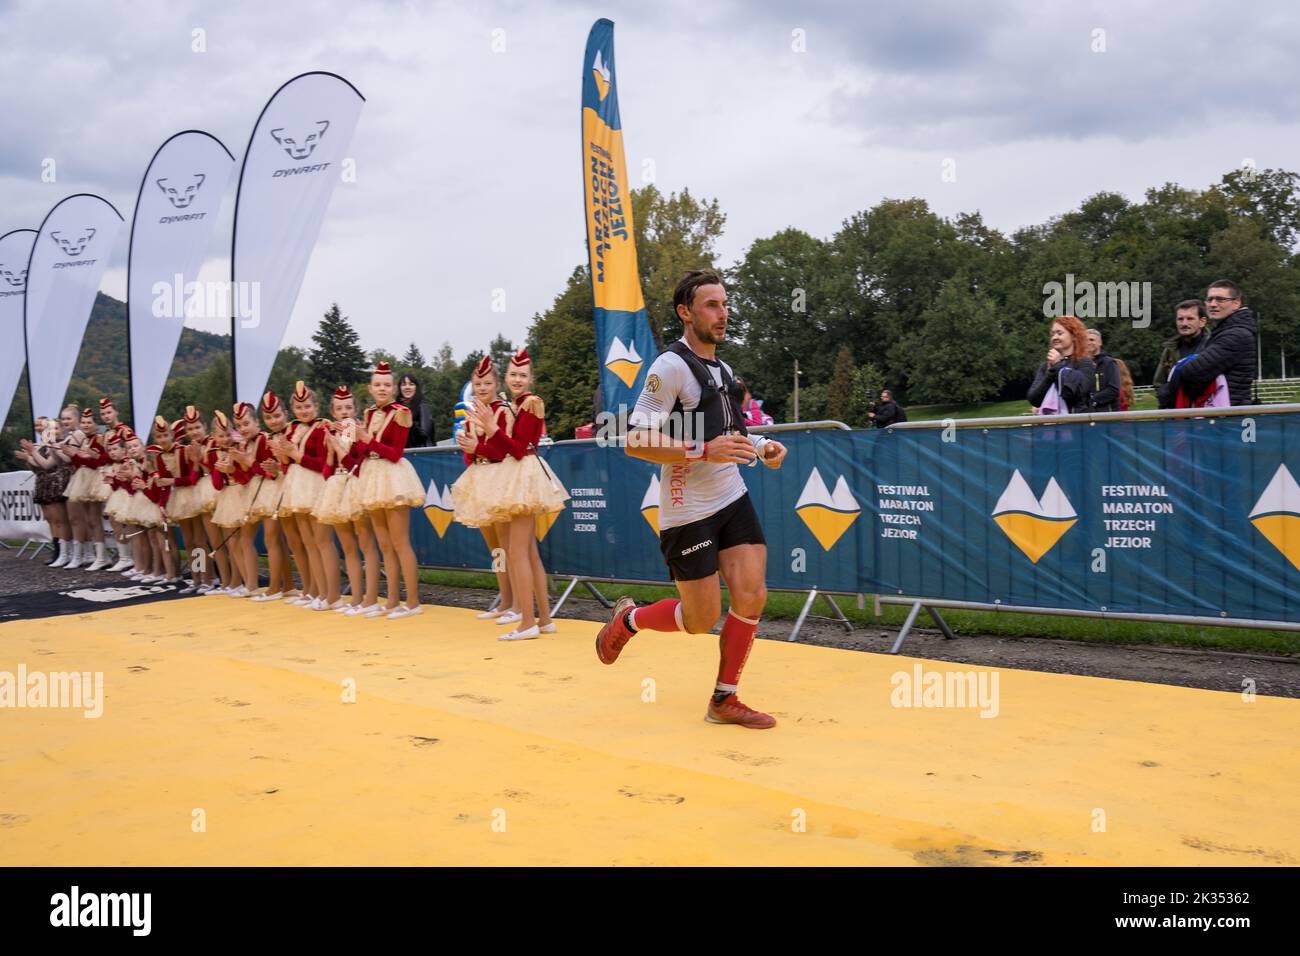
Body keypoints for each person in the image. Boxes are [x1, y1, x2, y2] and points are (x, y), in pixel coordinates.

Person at [594, 270, 789, 729]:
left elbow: (732, 433)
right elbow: (634, 440)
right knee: (701, 618)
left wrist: (763, 449)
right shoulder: (669, 367)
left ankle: (725, 698)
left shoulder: (723, 370)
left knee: (752, 594)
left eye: (724, 305)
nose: (722, 315)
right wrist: (702, 450)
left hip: (731, 496)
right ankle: (630, 621)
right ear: (686, 313)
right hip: (688, 511)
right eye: (711, 306)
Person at [467, 347, 569, 640]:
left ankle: (527, 622)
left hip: (523, 475)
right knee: (529, 553)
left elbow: (520, 447)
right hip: (517, 475)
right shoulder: (517, 404)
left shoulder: (530, 403)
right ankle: (545, 619)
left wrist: (490, 428)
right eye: (513, 374)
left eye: (522, 375)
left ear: (531, 378)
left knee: (516, 552)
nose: (517, 379)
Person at [354, 360, 426, 619]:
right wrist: (359, 440)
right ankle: (392, 599)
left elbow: (395, 453)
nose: (382, 388)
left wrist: (367, 440)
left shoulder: (401, 412)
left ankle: (414, 601)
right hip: (373, 476)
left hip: (393, 476)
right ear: (370, 388)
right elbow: (364, 451)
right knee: (384, 544)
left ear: (394, 387)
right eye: (377, 385)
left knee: (400, 542)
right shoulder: (370, 413)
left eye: (386, 384)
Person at [451, 354, 518, 626]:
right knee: (495, 549)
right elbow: (470, 455)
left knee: (507, 544)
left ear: (496, 383)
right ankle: (504, 600)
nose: (482, 388)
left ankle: (517, 604)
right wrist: (468, 448)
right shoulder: (472, 413)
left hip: (498, 477)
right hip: (478, 477)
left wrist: (476, 448)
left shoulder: (502, 410)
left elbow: (502, 449)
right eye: (477, 384)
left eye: (487, 383)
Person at [314, 386, 382, 616]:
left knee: (366, 544)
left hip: (357, 486)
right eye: (339, 408)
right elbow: (326, 471)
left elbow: (357, 463)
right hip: (336, 488)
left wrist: (337, 448)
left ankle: (371, 599)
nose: (344, 412)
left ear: (356, 410)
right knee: (348, 548)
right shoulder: (332, 434)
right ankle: (355, 598)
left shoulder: (358, 430)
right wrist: (331, 451)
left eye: (349, 407)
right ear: (332, 412)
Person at [275, 381, 344, 610]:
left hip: (316, 485)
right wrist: (283, 456)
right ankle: (318, 592)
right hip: (296, 487)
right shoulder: (292, 429)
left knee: (323, 542)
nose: (304, 411)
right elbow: (287, 466)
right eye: (299, 407)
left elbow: (325, 464)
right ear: (293, 410)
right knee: (309, 543)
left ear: (316, 406)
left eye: (307, 406)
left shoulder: (324, 427)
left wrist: (295, 455)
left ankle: (333, 595)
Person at [1171, 280, 1257, 407]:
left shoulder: (1236, 335)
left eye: (1220, 299)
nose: (1212, 304)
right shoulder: (1224, 331)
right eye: (1209, 299)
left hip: (1230, 415)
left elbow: (1192, 372)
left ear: (1236, 303)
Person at [16, 417, 75, 566]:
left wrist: (31, 453)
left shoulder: (59, 444)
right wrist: (28, 457)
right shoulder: (44, 446)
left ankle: (66, 552)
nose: (51, 431)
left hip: (57, 482)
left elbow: (48, 465)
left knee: (60, 520)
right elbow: (37, 467)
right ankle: (58, 550)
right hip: (44, 483)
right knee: (51, 519)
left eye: (55, 428)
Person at [1027, 316, 1096, 415]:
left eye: (1060, 333)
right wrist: (1051, 372)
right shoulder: (1046, 366)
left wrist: (1058, 366)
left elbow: (1075, 393)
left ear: (1074, 336)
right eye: (1053, 334)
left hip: (1078, 426)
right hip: (1051, 426)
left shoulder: (1084, 363)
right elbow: (1034, 399)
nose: (1055, 337)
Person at [1153, 300, 1211, 409]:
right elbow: (1158, 383)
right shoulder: (1170, 349)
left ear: (1202, 321)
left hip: (1205, 413)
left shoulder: (1212, 347)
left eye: (1190, 319)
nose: (1184, 323)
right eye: (1180, 319)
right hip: (1175, 414)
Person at [1085, 329, 1122, 412]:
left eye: (1092, 340)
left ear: (1100, 343)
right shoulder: (1080, 364)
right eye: (1085, 340)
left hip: (1107, 414)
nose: (1088, 343)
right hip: (1086, 415)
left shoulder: (1109, 363)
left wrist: (1093, 400)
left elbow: (1114, 390)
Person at [399, 373, 434, 449]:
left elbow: (425, 434)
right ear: (400, 388)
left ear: (416, 387)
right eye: (404, 385)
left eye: (411, 384)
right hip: (402, 454)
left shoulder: (422, 406)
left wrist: (408, 423)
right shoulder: (396, 408)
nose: (407, 387)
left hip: (421, 453)